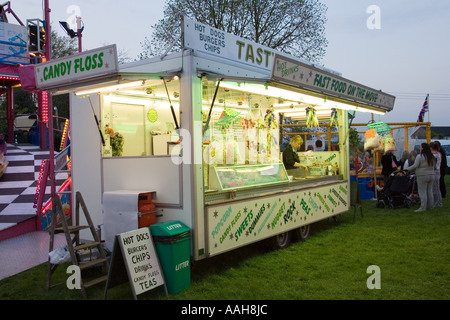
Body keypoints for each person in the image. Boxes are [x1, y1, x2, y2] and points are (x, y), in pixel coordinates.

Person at [404, 143, 436, 212]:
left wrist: (407, 169)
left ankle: (423, 207)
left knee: (422, 192)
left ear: (423, 148)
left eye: (421, 147)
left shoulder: (420, 156)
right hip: (431, 175)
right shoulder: (432, 156)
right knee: (429, 191)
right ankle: (430, 206)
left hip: (422, 175)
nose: (420, 148)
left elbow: (415, 166)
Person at [430, 142, 442, 207]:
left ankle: (437, 202)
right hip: (437, 172)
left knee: (435, 188)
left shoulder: (435, 155)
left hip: (435, 172)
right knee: (436, 188)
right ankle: (438, 201)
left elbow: (434, 165)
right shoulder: (438, 154)